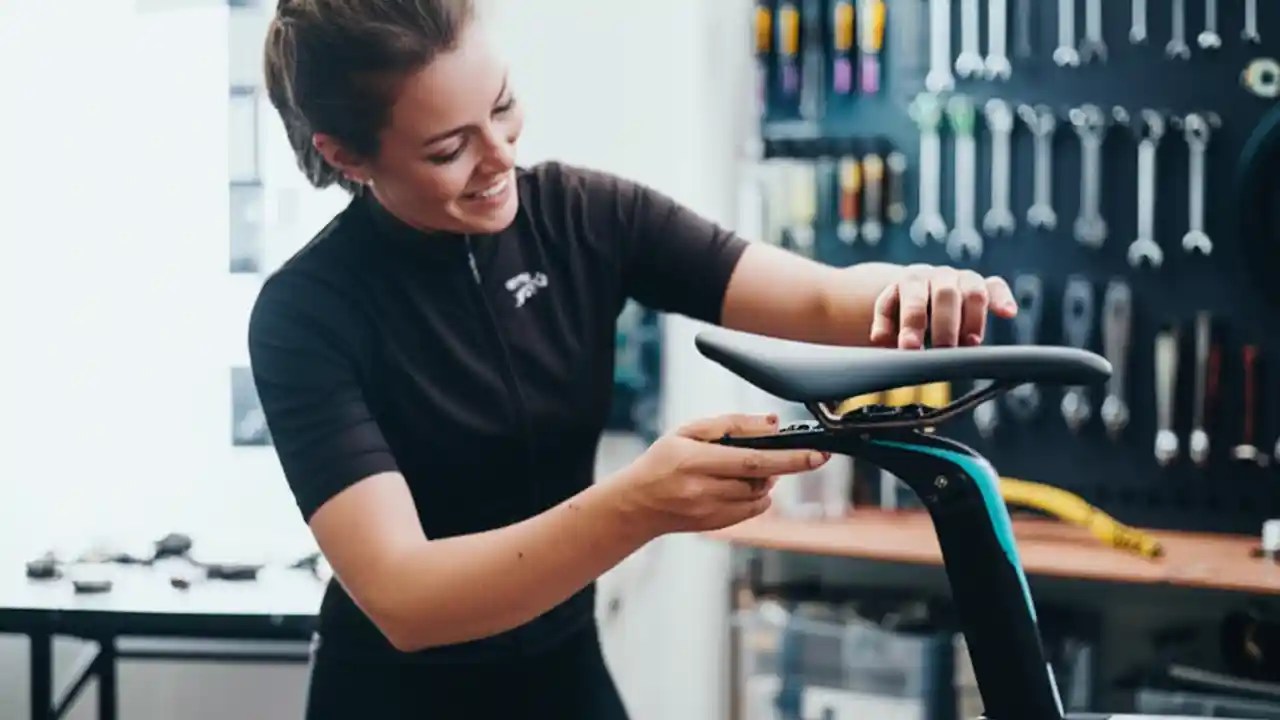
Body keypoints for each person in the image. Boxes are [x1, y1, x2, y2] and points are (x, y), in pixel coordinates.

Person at [248, 1, 1019, 717]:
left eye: (503, 107)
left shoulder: (583, 216)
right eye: (450, 148)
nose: (500, 157)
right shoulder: (306, 315)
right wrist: (640, 504)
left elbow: (819, 299)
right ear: (347, 155)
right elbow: (407, 600)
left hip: (564, 671)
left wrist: (916, 292)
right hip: (394, 697)